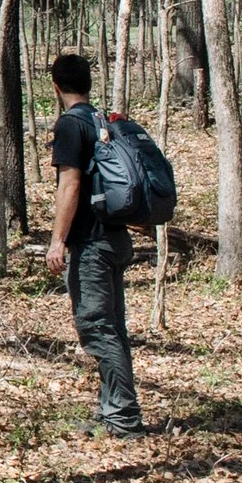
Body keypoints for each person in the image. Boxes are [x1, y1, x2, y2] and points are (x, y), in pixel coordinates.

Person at [45, 52, 147, 436]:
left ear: (56, 86)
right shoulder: (102, 121)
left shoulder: (71, 126)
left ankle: (123, 417)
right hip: (115, 239)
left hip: (91, 244)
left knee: (96, 328)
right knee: (112, 329)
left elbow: (69, 185)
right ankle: (112, 411)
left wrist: (58, 241)